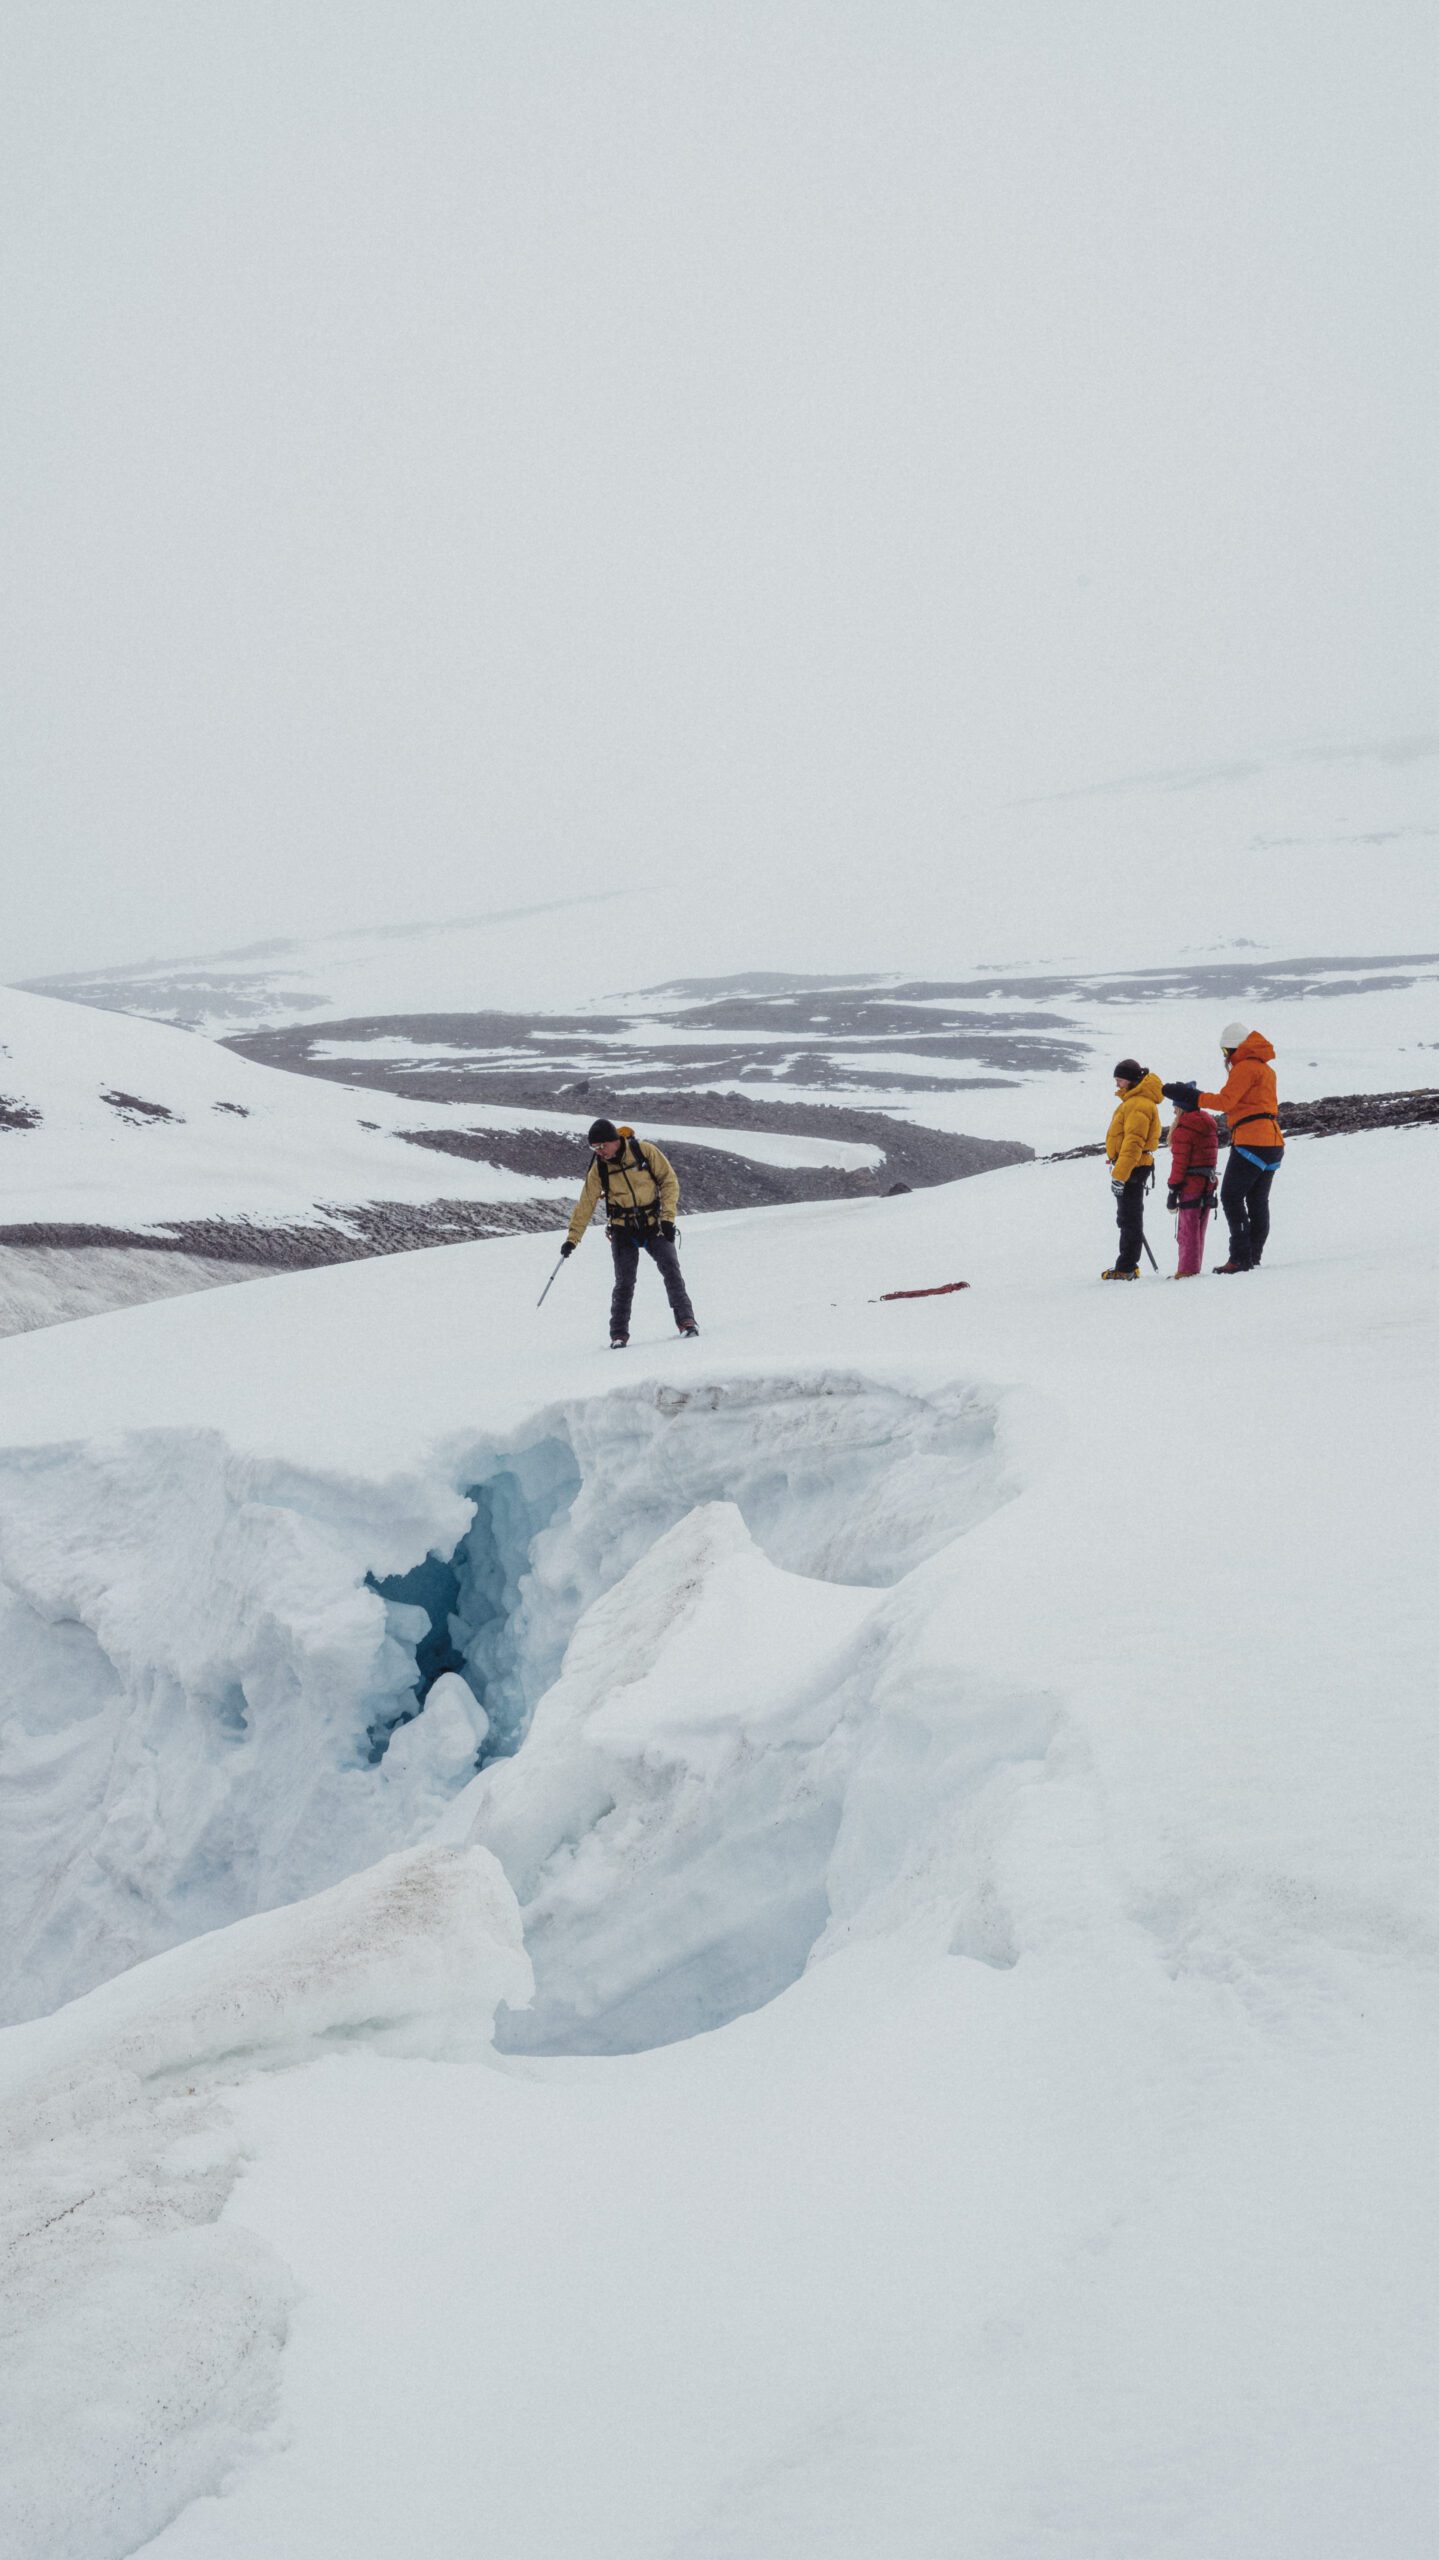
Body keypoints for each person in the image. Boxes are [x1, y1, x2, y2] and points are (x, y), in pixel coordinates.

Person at [560, 1116, 700, 1348]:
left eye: (602, 1146)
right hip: (622, 1229)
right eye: (594, 1147)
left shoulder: (644, 1151)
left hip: (654, 1224)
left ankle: (687, 1322)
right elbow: (587, 1202)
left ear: (614, 1140)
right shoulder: (599, 1168)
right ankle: (618, 1335)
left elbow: (669, 1181)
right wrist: (572, 1239)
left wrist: (667, 1218)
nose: (599, 1151)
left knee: (671, 1270)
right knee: (624, 1282)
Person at [1194, 1023, 1284, 1273]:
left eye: (1225, 1052)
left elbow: (1226, 1102)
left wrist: (1195, 1097)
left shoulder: (1244, 1067)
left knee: (1231, 1197)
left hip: (1251, 1140)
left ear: (1233, 1049)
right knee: (1258, 1200)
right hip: (1272, 1142)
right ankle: (1253, 1256)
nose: (1225, 1057)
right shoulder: (1266, 1069)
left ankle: (1240, 1258)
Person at [1102, 1059, 1163, 1279]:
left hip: (1132, 1167)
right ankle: (1128, 1265)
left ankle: (1126, 1268)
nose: (1117, 1084)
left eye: (1120, 1079)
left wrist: (1120, 1175)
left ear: (1131, 1079)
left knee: (1129, 1218)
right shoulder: (1135, 1101)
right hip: (1133, 1166)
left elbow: (1133, 1143)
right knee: (1129, 1217)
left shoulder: (1138, 1104)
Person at [1162, 1081, 1219, 1276]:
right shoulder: (1208, 1123)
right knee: (1199, 1228)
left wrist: (1173, 1188)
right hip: (1208, 1182)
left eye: (1175, 1107)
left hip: (1191, 1184)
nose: (1173, 1111)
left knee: (1187, 1230)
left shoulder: (1184, 1128)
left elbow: (1180, 1163)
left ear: (1181, 1107)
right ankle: (1192, 1268)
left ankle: (1187, 1271)